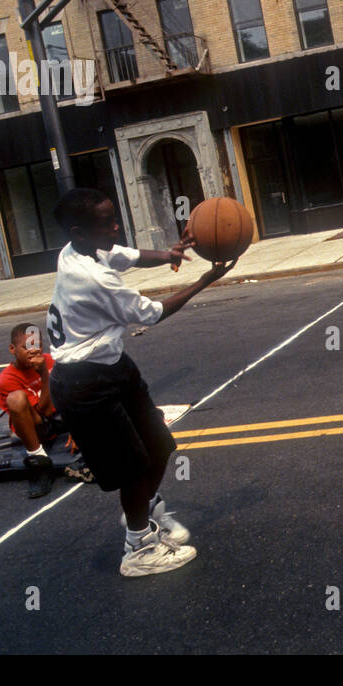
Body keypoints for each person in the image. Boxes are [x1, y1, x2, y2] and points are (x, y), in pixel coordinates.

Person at [45, 187, 232, 577]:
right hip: (84, 383)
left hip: (113, 366)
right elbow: (151, 313)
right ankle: (138, 549)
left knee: (159, 444)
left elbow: (126, 255)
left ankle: (144, 513)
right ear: (79, 231)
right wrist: (204, 281)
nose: (115, 226)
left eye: (115, 217)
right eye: (106, 223)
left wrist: (169, 254)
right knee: (132, 467)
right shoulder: (92, 278)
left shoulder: (80, 248)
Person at [0, 322, 91, 498]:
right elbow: (45, 411)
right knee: (16, 399)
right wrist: (44, 375)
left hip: (60, 414)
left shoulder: (50, 359)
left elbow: (72, 390)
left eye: (38, 345)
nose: (34, 351)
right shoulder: (7, 378)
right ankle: (39, 462)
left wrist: (76, 424)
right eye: (27, 347)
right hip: (38, 425)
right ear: (12, 349)